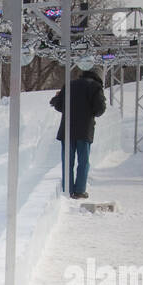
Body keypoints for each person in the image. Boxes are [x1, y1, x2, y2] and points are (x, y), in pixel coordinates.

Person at [50, 69, 107, 199]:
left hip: (67, 129)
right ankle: (80, 190)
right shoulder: (95, 87)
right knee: (83, 161)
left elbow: (59, 106)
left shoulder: (69, 85)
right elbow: (99, 110)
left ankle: (68, 189)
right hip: (85, 129)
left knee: (67, 161)